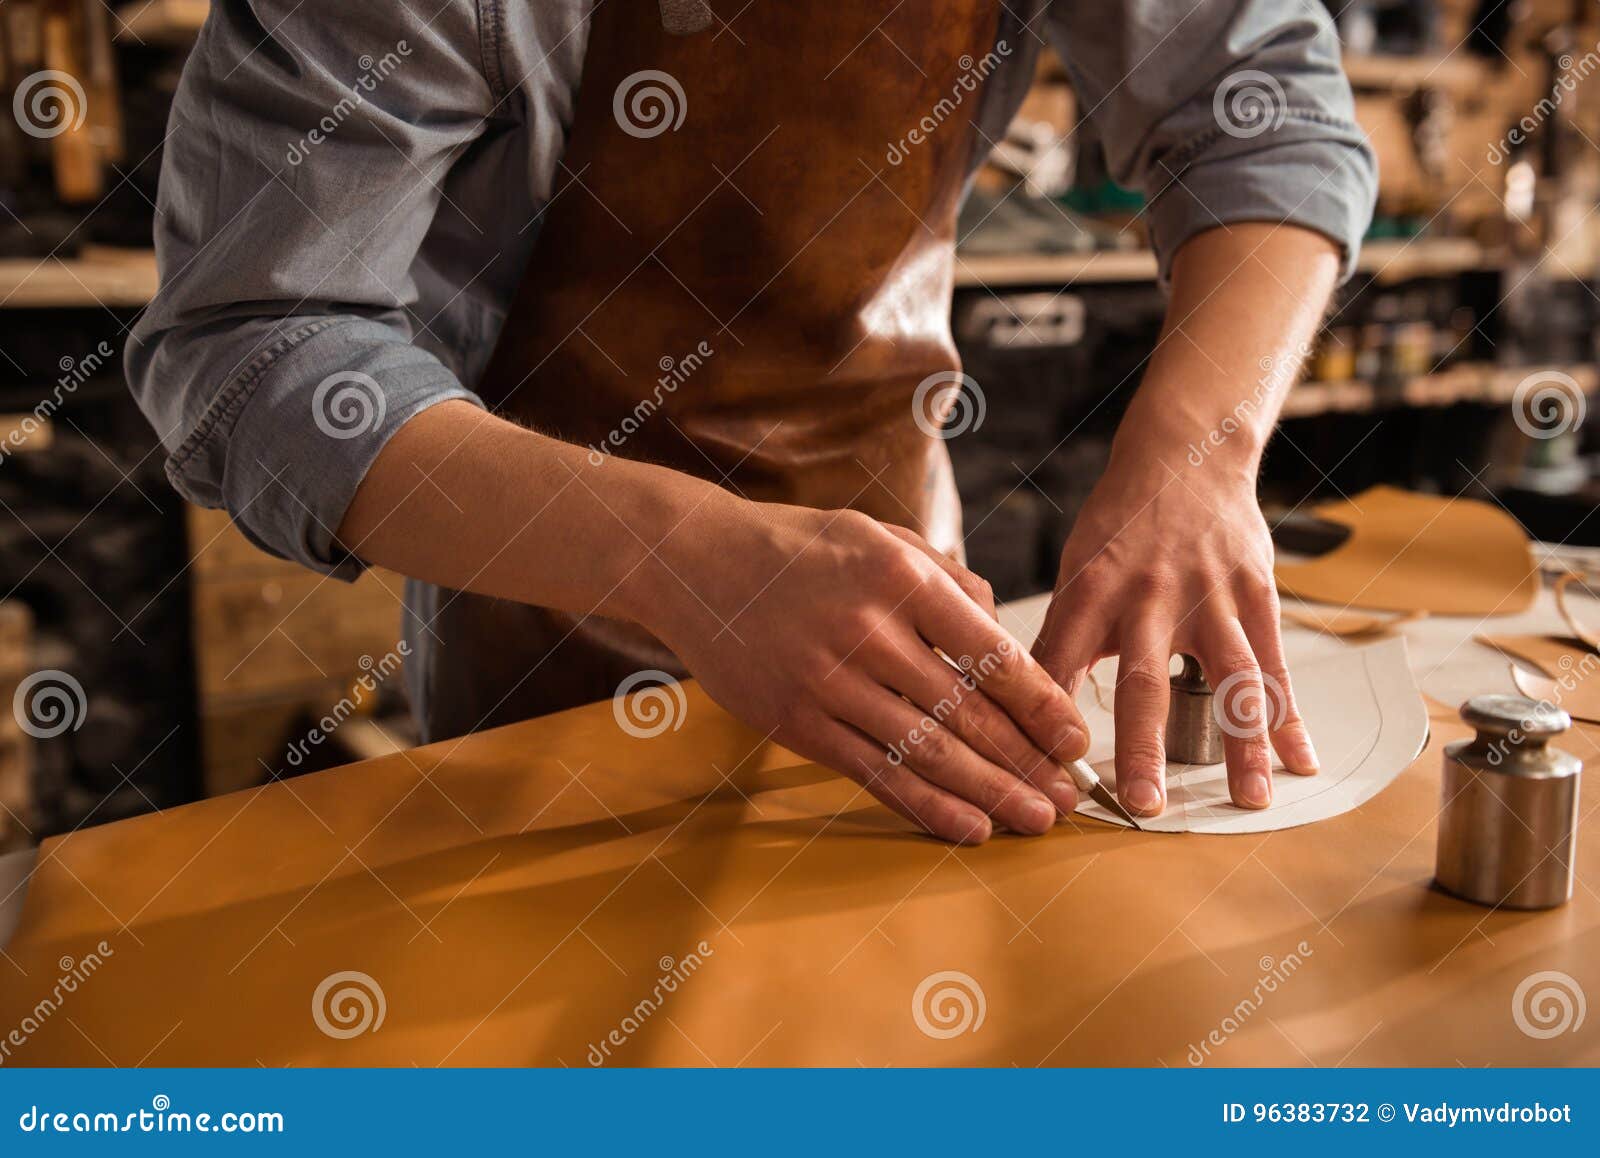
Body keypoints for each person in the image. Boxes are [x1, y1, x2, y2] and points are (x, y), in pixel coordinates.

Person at [127, 1, 1377, 843]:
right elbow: (250, 343)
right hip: (542, 641)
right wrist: (682, 560)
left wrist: (1197, 456)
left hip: (918, 623)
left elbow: (1256, 105)